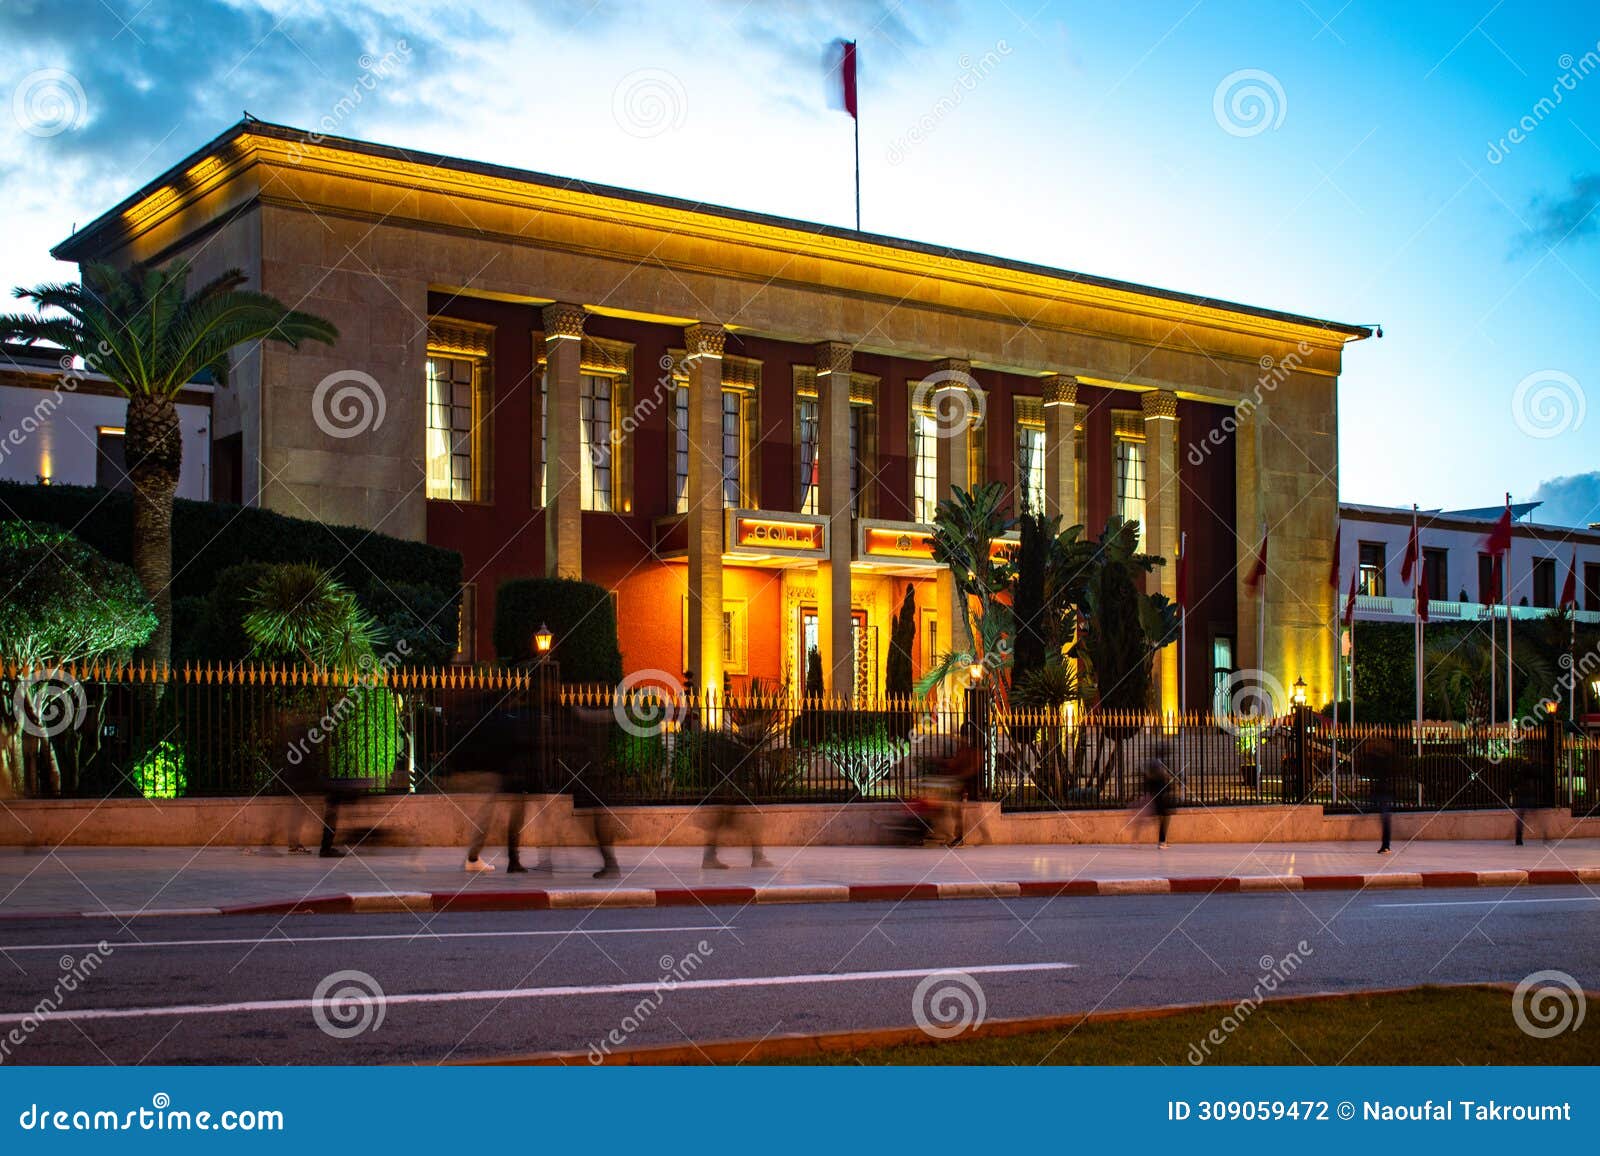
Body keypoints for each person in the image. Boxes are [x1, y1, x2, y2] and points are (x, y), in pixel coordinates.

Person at [1141, 741, 1178, 849]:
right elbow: (1159, 778)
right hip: (1161, 794)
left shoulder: (1157, 763)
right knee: (1164, 818)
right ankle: (1162, 841)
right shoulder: (1157, 764)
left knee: (1163, 818)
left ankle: (1162, 840)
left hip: (1159, 793)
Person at [1367, 736, 1396, 854]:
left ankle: (1385, 845)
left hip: (1383, 792)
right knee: (1385, 819)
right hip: (1383, 791)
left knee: (1385, 819)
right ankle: (1385, 845)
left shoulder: (1379, 759)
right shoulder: (1386, 759)